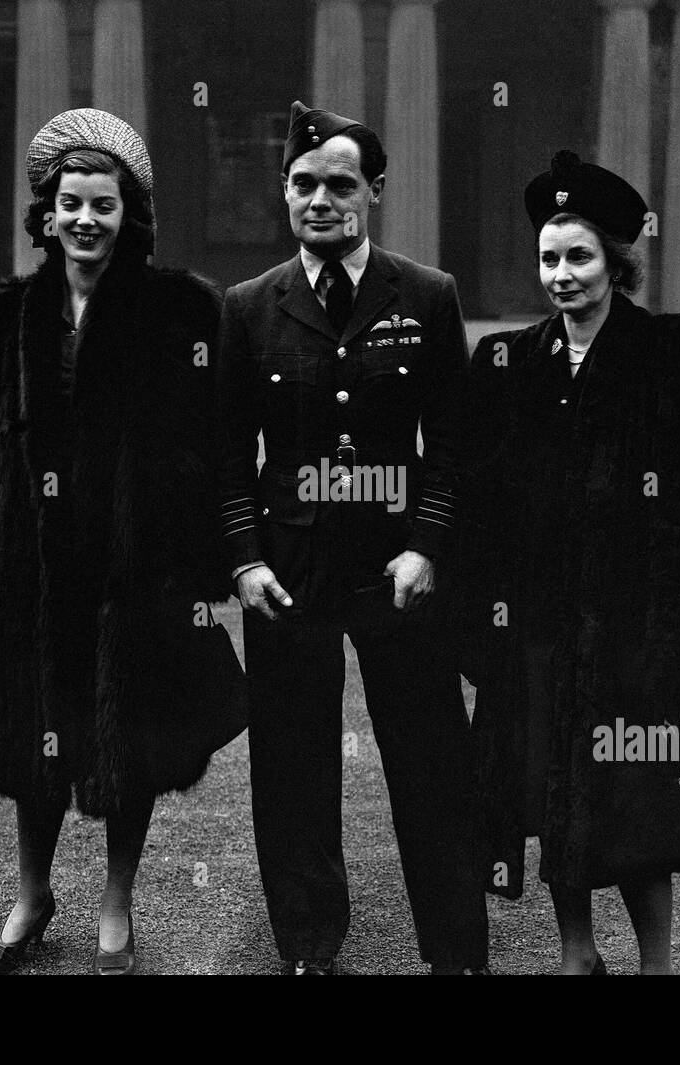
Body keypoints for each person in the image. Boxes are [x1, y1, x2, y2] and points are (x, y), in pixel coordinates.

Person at [0, 108, 238, 975]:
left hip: (135, 566)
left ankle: (117, 897)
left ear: (129, 214)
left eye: (102, 205)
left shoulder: (181, 307)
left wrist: (196, 565)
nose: (84, 220)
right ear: (46, 213)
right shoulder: (6, 310)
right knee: (38, 731)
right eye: (70, 203)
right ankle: (33, 892)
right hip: (33, 565)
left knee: (130, 742)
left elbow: (209, 443)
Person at [216, 100, 489, 975]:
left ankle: (458, 954)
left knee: (432, 769)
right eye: (303, 185)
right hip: (288, 573)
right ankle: (308, 946)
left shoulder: (429, 295)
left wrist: (427, 545)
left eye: (340, 184)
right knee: (292, 774)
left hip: (396, 570)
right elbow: (225, 455)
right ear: (285, 195)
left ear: (373, 191)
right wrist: (246, 558)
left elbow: (453, 445)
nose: (320, 199)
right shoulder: (250, 306)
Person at [457, 150, 680, 975]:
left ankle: (657, 962)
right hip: (538, 625)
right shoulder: (508, 362)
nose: (562, 274)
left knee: (640, 801)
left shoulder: (670, 351)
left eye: (579, 256)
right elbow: (481, 503)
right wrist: (484, 622)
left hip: (637, 632)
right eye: (549, 257)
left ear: (617, 261)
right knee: (549, 790)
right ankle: (577, 951)